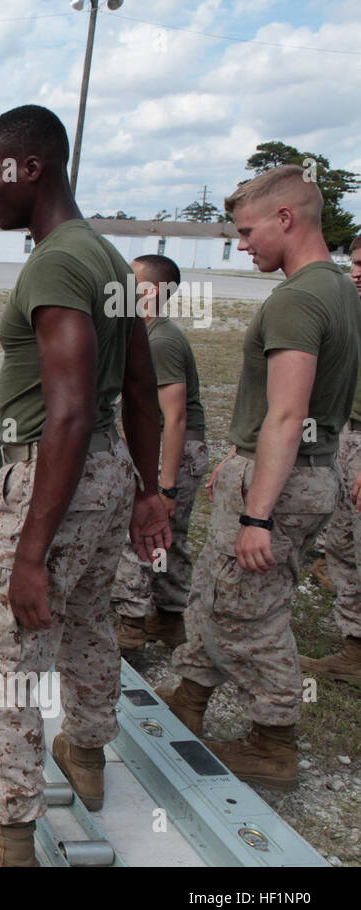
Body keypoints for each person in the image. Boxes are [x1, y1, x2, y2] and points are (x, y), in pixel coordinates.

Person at [0, 105, 169, 866]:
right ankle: (86, 755)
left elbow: (71, 410)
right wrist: (148, 491)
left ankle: (12, 839)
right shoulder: (106, 257)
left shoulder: (54, 262)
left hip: (54, 471)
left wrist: (31, 550)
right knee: (84, 620)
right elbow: (139, 389)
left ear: (30, 168)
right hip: (109, 467)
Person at [159, 166, 361, 792]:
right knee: (218, 597)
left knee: (250, 613)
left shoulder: (298, 297)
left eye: (246, 232)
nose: (240, 244)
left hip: (282, 483)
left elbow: (287, 411)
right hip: (299, 468)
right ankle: (189, 698)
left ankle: (274, 743)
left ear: (286, 219)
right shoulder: (340, 288)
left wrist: (256, 514)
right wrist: (242, 455)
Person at [111, 255, 207, 653]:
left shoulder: (162, 341)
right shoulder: (144, 334)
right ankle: (167, 617)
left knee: (143, 533)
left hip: (173, 451)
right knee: (168, 537)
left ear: (149, 292)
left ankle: (133, 622)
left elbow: (176, 416)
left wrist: (163, 486)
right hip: (169, 449)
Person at [306, 233, 361, 684]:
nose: (356, 272)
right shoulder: (350, 307)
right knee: (343, 542)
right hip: (347, 436)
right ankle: (355, 648)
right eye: (355, 263)